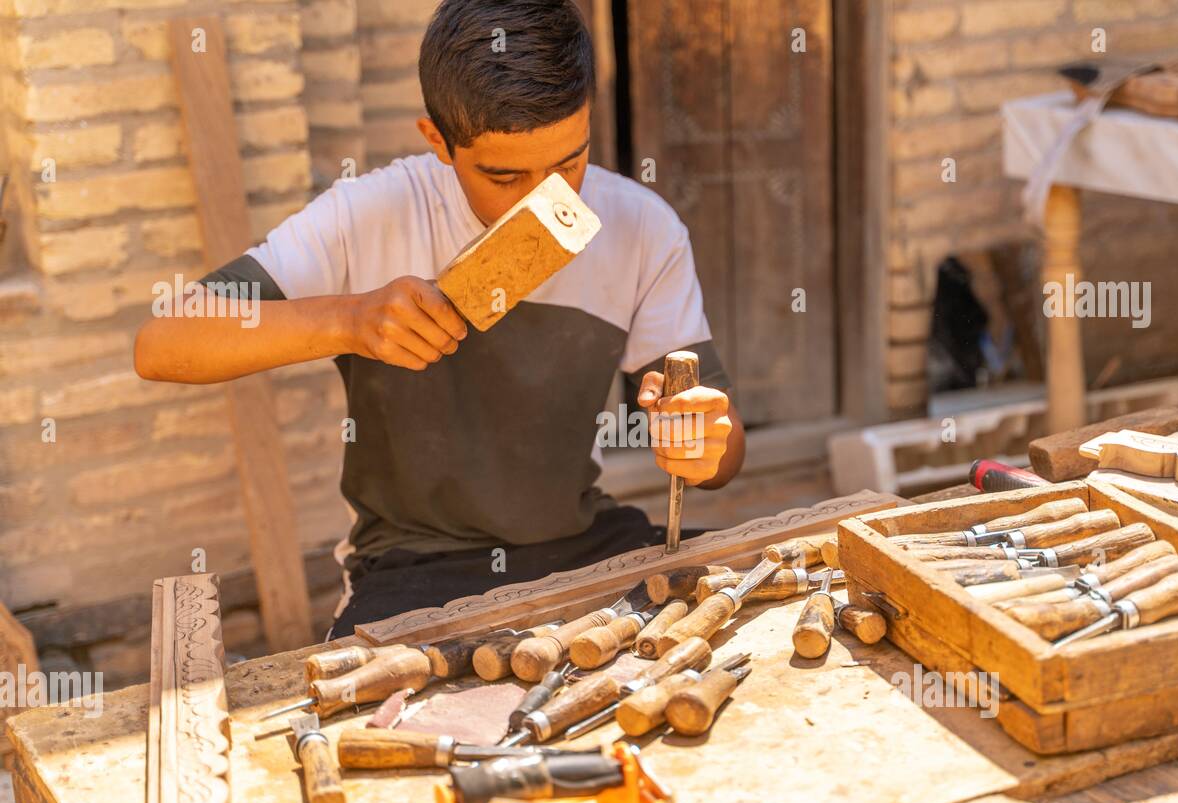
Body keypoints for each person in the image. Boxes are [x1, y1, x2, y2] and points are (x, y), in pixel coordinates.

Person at [134, 0, 745, 637]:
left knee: (730, 608)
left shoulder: (641, 227)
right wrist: (350, 320)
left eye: (569, 164)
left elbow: (726, 451)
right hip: (415, 562)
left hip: (579, 538)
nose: (546, 200)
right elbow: (162, 341)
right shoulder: (368, 214)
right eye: (504, 176)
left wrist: (702, 443)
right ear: (438, 142)